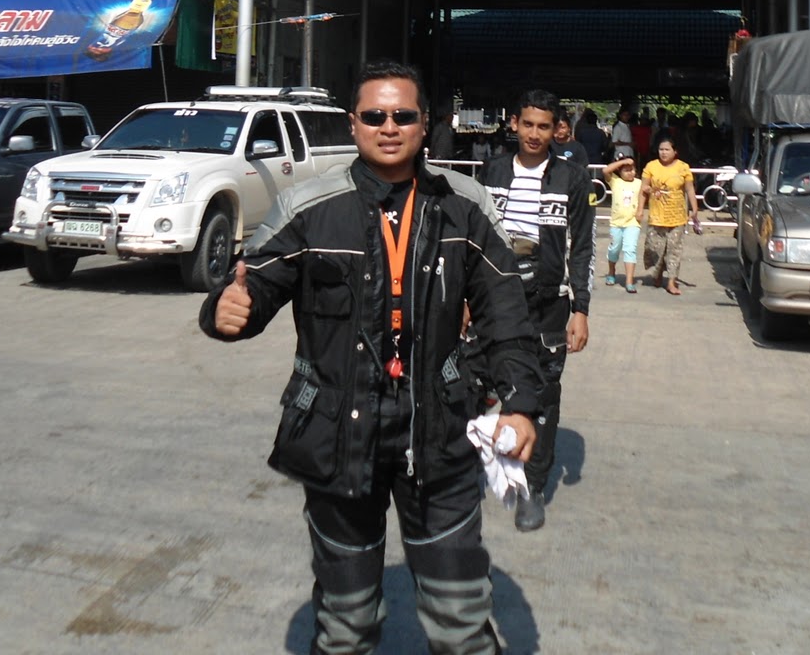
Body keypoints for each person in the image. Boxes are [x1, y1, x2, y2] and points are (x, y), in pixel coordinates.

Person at [199, 61, 542, 655]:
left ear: (426, 124)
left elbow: (506, 314)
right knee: (345, 625)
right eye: (375, 115)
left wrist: (520, 403)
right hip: (337, 435)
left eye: (403, 115)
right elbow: (251, 288)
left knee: (461, 623)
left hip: (441, 430)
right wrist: (227, 311)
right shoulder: (307, 206)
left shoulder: (466, 206)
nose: (389, 127)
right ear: (353, 123)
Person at [481, 88, 595, 533]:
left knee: (544, 395)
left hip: (549, 301)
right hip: (496, 297)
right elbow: (477, 238)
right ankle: (465, 471)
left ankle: (532, 487)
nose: (533, 133)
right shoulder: (491, 172)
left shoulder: (572, 177)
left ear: (557, 130)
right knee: (478, 383)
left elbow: (582, 247)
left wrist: (580, 309)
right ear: (514, 123)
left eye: (543, 126)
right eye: (526, 124)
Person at [639, 136, 699, 296]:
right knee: (655, 248)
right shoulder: (651, 166)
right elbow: (643, 188)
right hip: (657, 216)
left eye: (667, 149)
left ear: (675, 151)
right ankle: (657, 273)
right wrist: (639, 209)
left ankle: (671, 281)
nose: (664, 153)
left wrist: (694, 208)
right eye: (661, 149)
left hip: (677, 216)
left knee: (674, 249)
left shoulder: (683, 167)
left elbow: (690, 189)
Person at [601, 155, 644, 292]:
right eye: (626, 170)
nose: (630, 172)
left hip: (632, 222)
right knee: (614, 249)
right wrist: (624, 161)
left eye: (632, 169)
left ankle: (629, 281)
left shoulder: (638, 183)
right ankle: (611, 271)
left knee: (630, 249)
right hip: (616, 223)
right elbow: (605, 170)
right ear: (620, 172)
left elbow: (646, 192)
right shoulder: (615, 181)